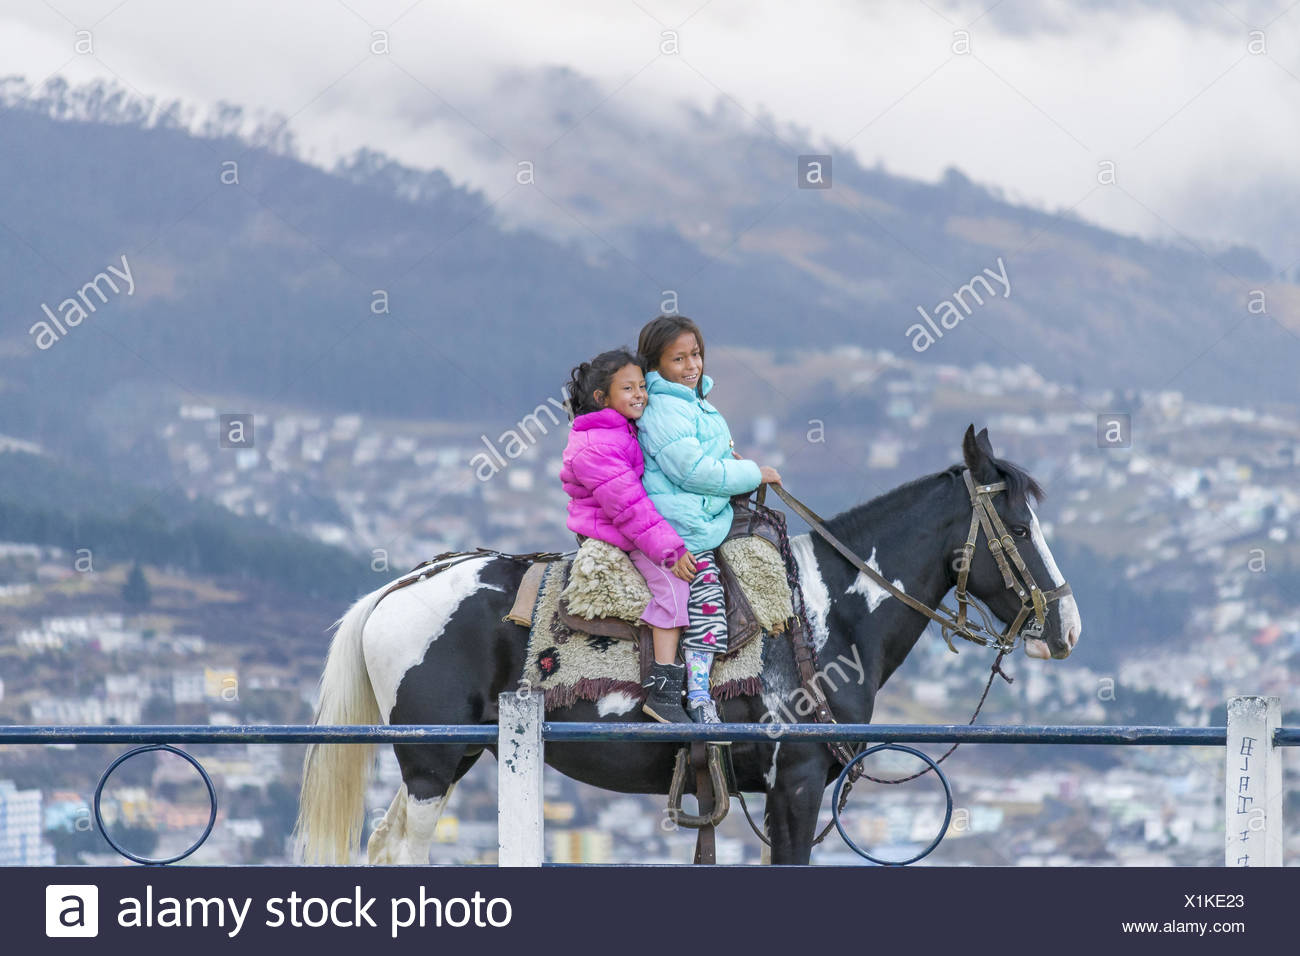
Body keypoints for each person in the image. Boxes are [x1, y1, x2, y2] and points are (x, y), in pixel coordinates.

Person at [635, 315, 782, 724]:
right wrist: (753, 473)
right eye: (678, 359)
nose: (691, 366)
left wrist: (730, 468)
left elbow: (704, 460)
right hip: (685, 524)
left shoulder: (690, 401)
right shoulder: (665, 407)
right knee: (706, 599)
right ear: (655, 366)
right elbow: (691, 470)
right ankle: (698, 694)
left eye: (695, 355)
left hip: (700, 511)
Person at [559, 348, 698, 724]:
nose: (639, 394)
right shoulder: (597, 446)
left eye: (641, 385)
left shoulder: (618, 429)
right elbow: (630, 509)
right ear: (603, 398)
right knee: (673, 587)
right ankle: (664, 690)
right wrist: (670, 552)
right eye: (628, 388)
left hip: (627, 526)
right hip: (614, 532)